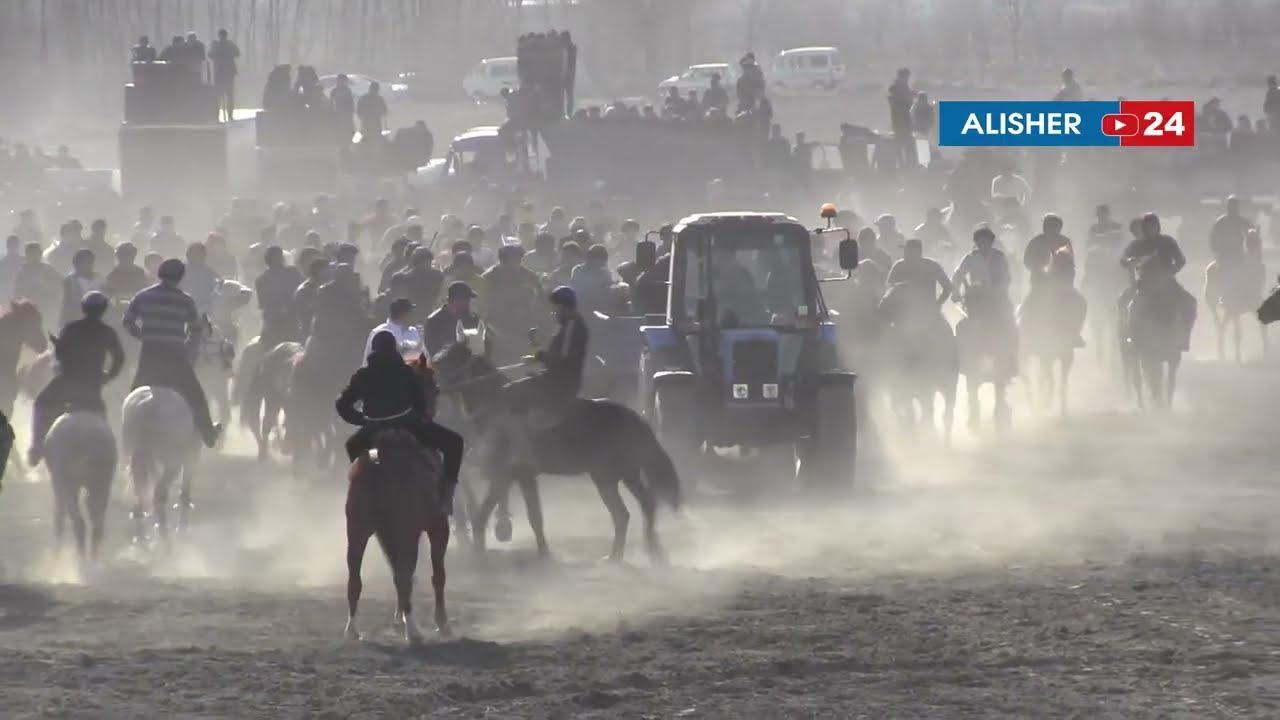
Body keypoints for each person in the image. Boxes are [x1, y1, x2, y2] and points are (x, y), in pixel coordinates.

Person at [335, 330, 463, 512]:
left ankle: (360, 497)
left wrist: (362, 420)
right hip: (408, 425)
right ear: (393, 348)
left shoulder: (362, 375)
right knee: (455, 443)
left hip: (374, 430)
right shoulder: (405, 371)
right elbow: (419, 403)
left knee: (352, 446)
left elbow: (342, 405)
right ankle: (446, 496)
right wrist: (418, 417)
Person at [122, 259, 222, 447]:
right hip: (174, 354)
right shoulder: (185, 300)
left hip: (149, 353)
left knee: (134, 394)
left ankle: (125, 438)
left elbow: (127, 322)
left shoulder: (143, 296)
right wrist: (187, 347)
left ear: (159, 274)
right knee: (195, 394)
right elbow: (195, 329)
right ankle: (208, 434)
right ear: (181, 277)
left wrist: (143, 336)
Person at [27, 291, 124, 465]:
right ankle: (109, 459)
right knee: (104, 417)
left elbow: (62, 356)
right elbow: (119, 358)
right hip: (92, 387)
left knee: (40, 403)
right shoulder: (108, 332)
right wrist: (108, 376)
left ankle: (37, 446)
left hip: (67, 383)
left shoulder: (71, 328)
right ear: (104, 310)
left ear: (83, 308)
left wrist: (57, 345)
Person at [505, 286, 588, 418]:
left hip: (561, 384)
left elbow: (562, 359)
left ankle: (525, 435)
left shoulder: (572, 327)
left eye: (555, 308)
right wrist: (536, 355)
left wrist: (539, 356)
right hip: (556, 379)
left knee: (511, 392)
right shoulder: (567, 325)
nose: (553, 312)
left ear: (563, 306)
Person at [1119, 213, 1197, 351]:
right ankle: (1133, 337)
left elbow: (1181, 260)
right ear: (1144, 228)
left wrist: (1171, 271)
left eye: (1153, 225)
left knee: (1190, 303)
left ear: (1158, 226)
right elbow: (1123, 259)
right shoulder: (1137, 244)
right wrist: (1128, 261)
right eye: (1148, 226)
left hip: (1168, 282)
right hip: (1145, 284)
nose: (1151, 229)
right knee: (1133, 308)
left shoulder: (1168, 242)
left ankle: (1185, 338)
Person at [255, 245, 303, 348]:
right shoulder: (261, 280)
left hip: (290, 319)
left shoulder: (292, 272)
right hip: (275, 321)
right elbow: (263, 304)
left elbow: (300, 293)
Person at [424, 281, 485, 359]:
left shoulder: (473, 319)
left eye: (468, 300)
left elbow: (483, 344)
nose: (468, 303)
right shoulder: (434, 321)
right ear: (455, 300)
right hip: (446, 366)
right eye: (466, 300)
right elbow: (433, 351)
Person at [58, 249, 102, 328]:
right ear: (77, 264)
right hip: (76, 321)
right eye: (86, 262)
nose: (89, 265)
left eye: (91, 262)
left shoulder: (99, 279)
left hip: (98, 321)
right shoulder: (69, 281)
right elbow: (65, 305)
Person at [208, 29, 240, 122]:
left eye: (223, 36)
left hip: (224, 73)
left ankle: (227, 115)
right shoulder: (218, 45)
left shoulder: (227, 45)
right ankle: (218, 115)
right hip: (222, 73)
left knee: (226, 95)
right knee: (221, 95)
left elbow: (237, 53)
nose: (222, 38)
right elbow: (210, 54)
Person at [330, 74, 357, 143]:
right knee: (340, 130)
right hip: (338, 114)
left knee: (349, 130)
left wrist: (352, 110)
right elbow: (331, 103)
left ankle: (349, 142)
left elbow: (351, 102)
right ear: (338, 81)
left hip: (347, 114)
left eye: (345, 81)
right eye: (343, 81)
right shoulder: (334, 91)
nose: (344, 82)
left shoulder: (348, 90)